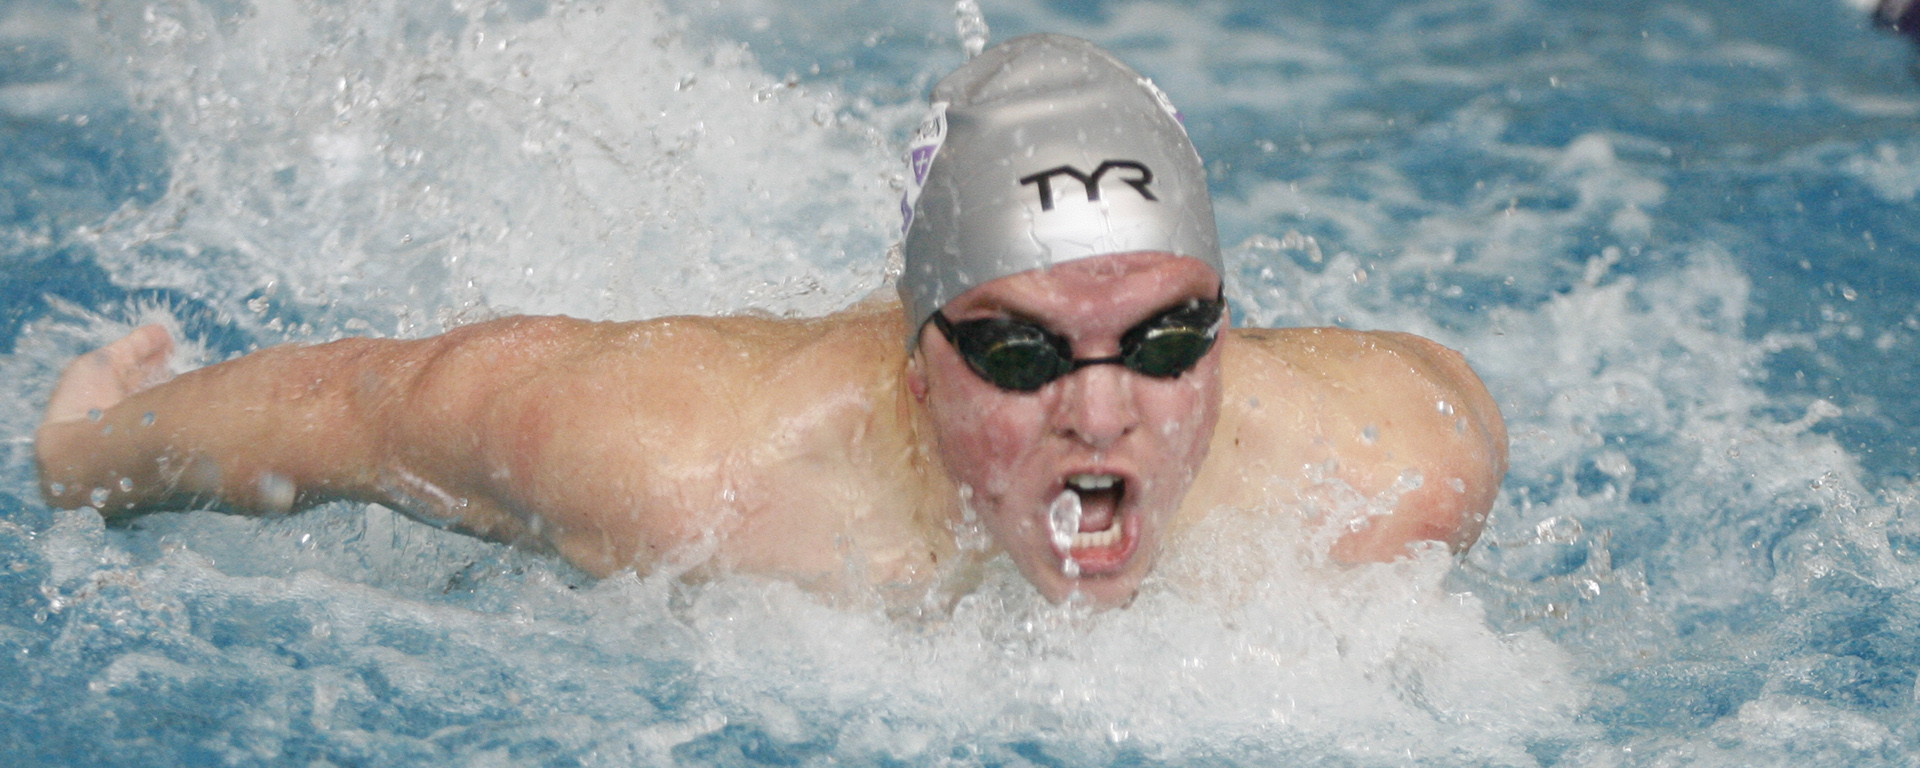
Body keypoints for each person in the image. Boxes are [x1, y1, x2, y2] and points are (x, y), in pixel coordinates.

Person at [34, 34, 1506, 610]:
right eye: (1017, 351)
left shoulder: (1390, 469)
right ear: (913, 354)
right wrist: (86, 447)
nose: (1105, 412)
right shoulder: (682, 470)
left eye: (1170, 339)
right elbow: (352, 405)